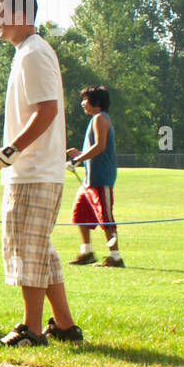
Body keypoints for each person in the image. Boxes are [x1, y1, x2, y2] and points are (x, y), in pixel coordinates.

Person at [0, 0, 83, 346]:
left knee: (26, 248)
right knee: (41, 249)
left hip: (34, 171)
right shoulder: (28, 52)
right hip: (31, 170)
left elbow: (47, 110)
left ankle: (32, 329)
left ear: (19, 15)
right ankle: (65, 326)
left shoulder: (34, 53)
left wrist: (11, 150)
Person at [67, 85, 122, 267]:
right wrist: (79, 154)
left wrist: (78, 159)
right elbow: (94, 149)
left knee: (105, 217)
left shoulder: (100, 118)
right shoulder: (96, 119)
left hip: (101, 178)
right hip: (89, 180)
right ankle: (87, 252)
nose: (82, 103)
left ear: (96, 102)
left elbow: (100, 146)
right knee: (79, 214)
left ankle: (115, 257)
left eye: (85, 99)